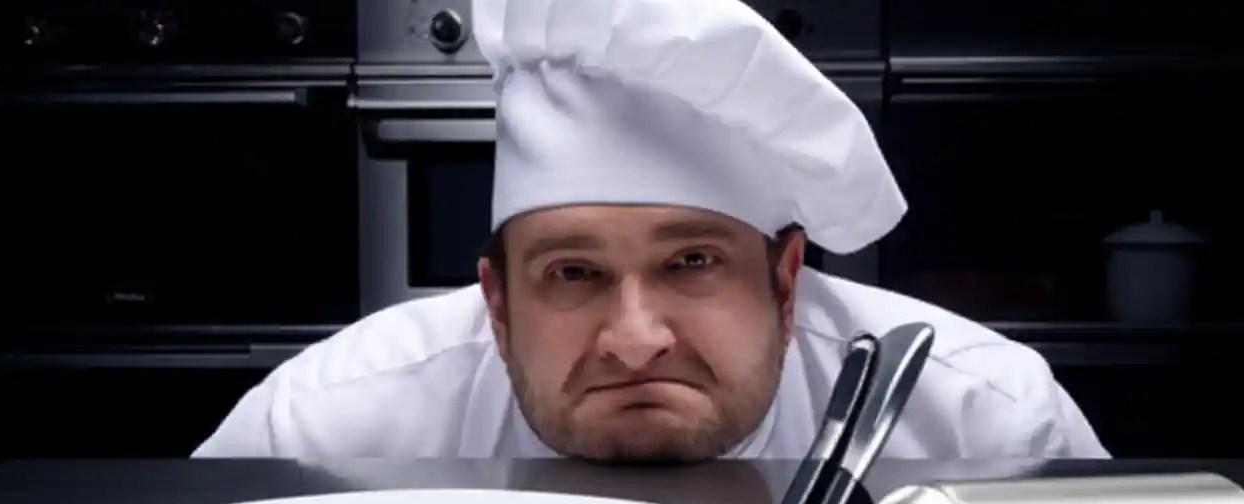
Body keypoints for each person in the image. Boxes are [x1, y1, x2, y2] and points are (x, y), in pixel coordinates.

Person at [192, 0, 1108, 462]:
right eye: (573, 272)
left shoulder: (987, 422)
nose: (635, 341)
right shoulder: (322, 431)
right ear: (496, 304)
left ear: (786, 282)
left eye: (693, 261)